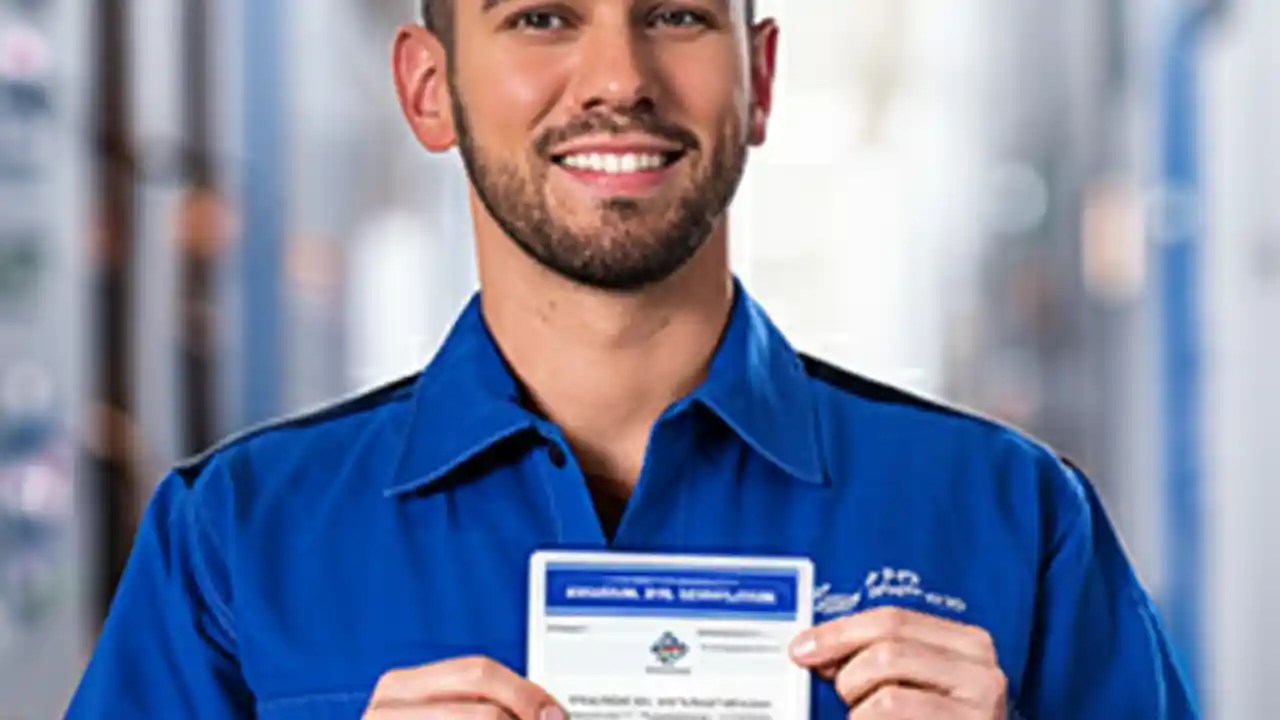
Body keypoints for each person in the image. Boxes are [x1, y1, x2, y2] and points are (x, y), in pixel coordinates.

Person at [68, 1, 1198, 717]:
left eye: (671, 14)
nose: (617, 78)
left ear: (758, 79)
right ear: (427, 86)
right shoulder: (232, 543)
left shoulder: (1010, 518)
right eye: (542, 17)